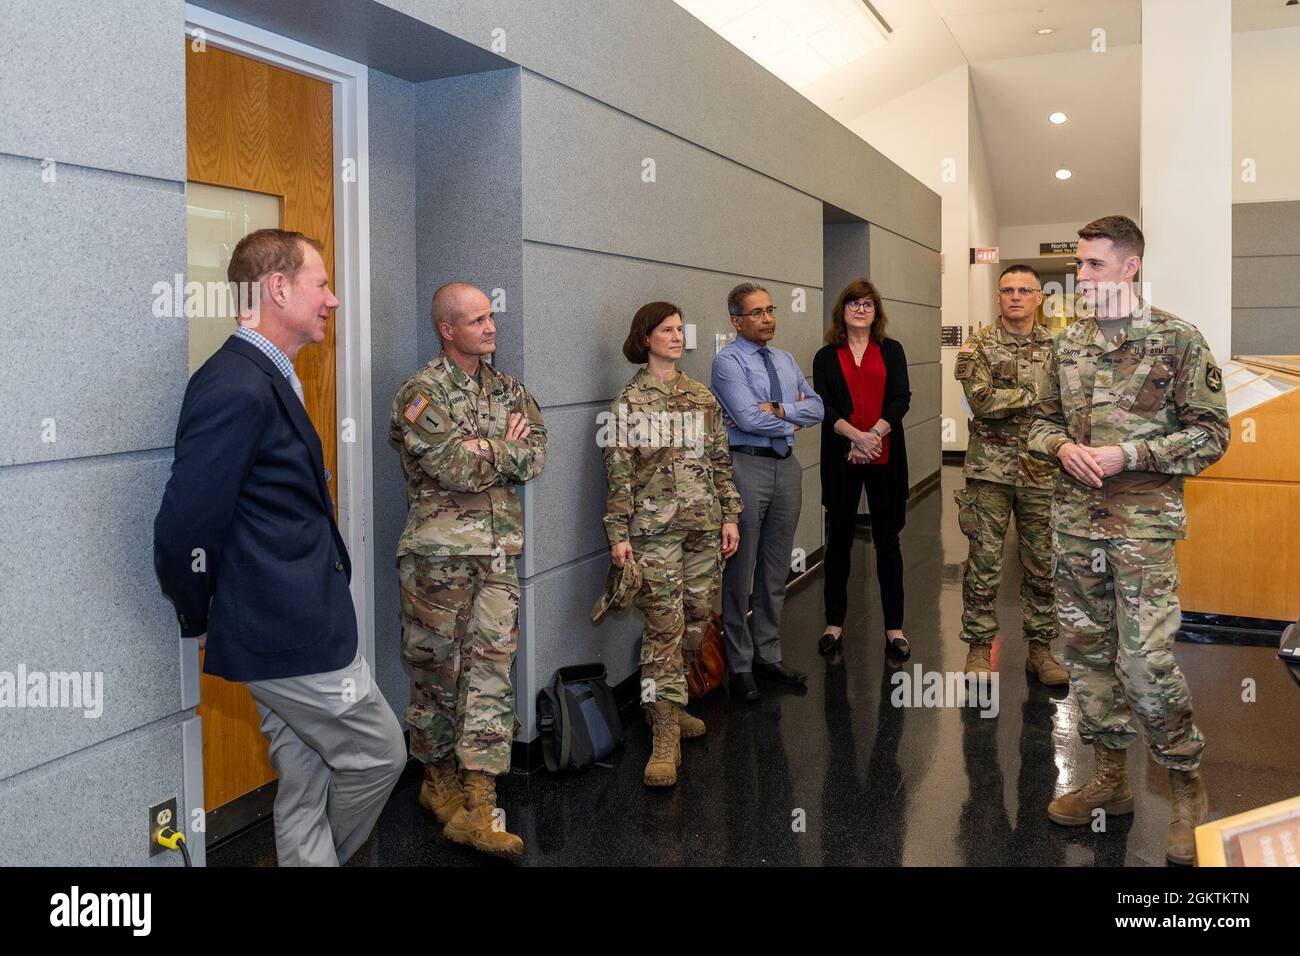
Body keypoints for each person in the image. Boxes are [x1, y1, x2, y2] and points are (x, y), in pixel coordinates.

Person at [154, 228, 406, 867]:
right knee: (379, 751)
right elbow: (186, 525)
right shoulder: (234, 384)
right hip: (283, 631)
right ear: (277, 287)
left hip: (299, 617)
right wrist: (200, 616)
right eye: (321, 284)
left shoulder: (270, 371)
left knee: (305, 777)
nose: (333, 299)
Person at [1028, 214, 1229, 865]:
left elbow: (1211, 434)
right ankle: (1111, 781)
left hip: (1141, 536)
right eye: (1079, 265)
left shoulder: (1177, 340)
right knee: (1087, 661)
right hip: (1075, 531)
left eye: (1091, 265)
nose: (1079, 277)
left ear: (1129, 266)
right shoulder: (1067, 345)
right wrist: (1060, 446)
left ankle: (1187, 786)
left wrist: (1129, 454)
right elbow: (1038, 420)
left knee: (1145, 666)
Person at [389, 281, 547, 859]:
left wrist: (489, 451)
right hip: (439, 559)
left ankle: (481, 802)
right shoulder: (420, 393)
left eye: (491, 316)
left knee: (491, 672)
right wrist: (500, 450)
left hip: (500, 554)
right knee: (438, 671)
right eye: (476, 320)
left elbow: (538, 450)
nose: (490, 327)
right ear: (446, 330)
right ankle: (437, 782)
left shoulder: (508, 387)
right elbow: (453, 466)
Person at [602, 301, 742, 786]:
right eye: (667, 330)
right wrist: (618, 536)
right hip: (653, 532)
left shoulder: (701, 396)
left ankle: (670, 700)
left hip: (703, 527)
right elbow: (618, 476)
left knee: (697, 619)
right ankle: (663, 736)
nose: (678, 337)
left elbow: (720, 461)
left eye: (681, 329)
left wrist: (731, 516)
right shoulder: (629, 402)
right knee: (664, 625)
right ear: (646, 338)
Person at [711, 282, 825, 702]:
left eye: (771, 310)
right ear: (736, 321)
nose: (767, 319)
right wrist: (789, 419)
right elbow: (744, 418)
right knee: (741, 571)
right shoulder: (727, 363)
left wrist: (778, 410)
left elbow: (817, 407)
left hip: (786, 468)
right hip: (746, 467)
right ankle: (739, 665)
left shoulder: (786, 358)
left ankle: (768, 655)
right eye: (757, 313)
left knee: (776, 569)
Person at [954, 264, 1067, 686]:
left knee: (1042, 564)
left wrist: (1020, 401)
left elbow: (1070, 407)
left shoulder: (1059, 347)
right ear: (998, 297)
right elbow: (980, 401)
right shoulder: (976, 346)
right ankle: (978, 649)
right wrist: (1037, 396)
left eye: (1024, 290)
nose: (1015, 296)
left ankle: (1041, 651)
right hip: (990, 473)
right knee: (984, 563)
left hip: (1042, 471)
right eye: (1007, 290)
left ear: (1039, 297)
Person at [812, 278, 912, 658]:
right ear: (843, 310)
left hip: (886, 456)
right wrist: (856, 437)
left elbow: (902, 399)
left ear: (876, 312)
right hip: (842, 456)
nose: (860, 309)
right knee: (838, 542)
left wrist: (872, 436)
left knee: (888, 542)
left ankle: (895, 628)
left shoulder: (892, 351)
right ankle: (833, 624)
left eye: (867, 304)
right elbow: (823, 406)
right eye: (853, 303)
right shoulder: (825, 356)